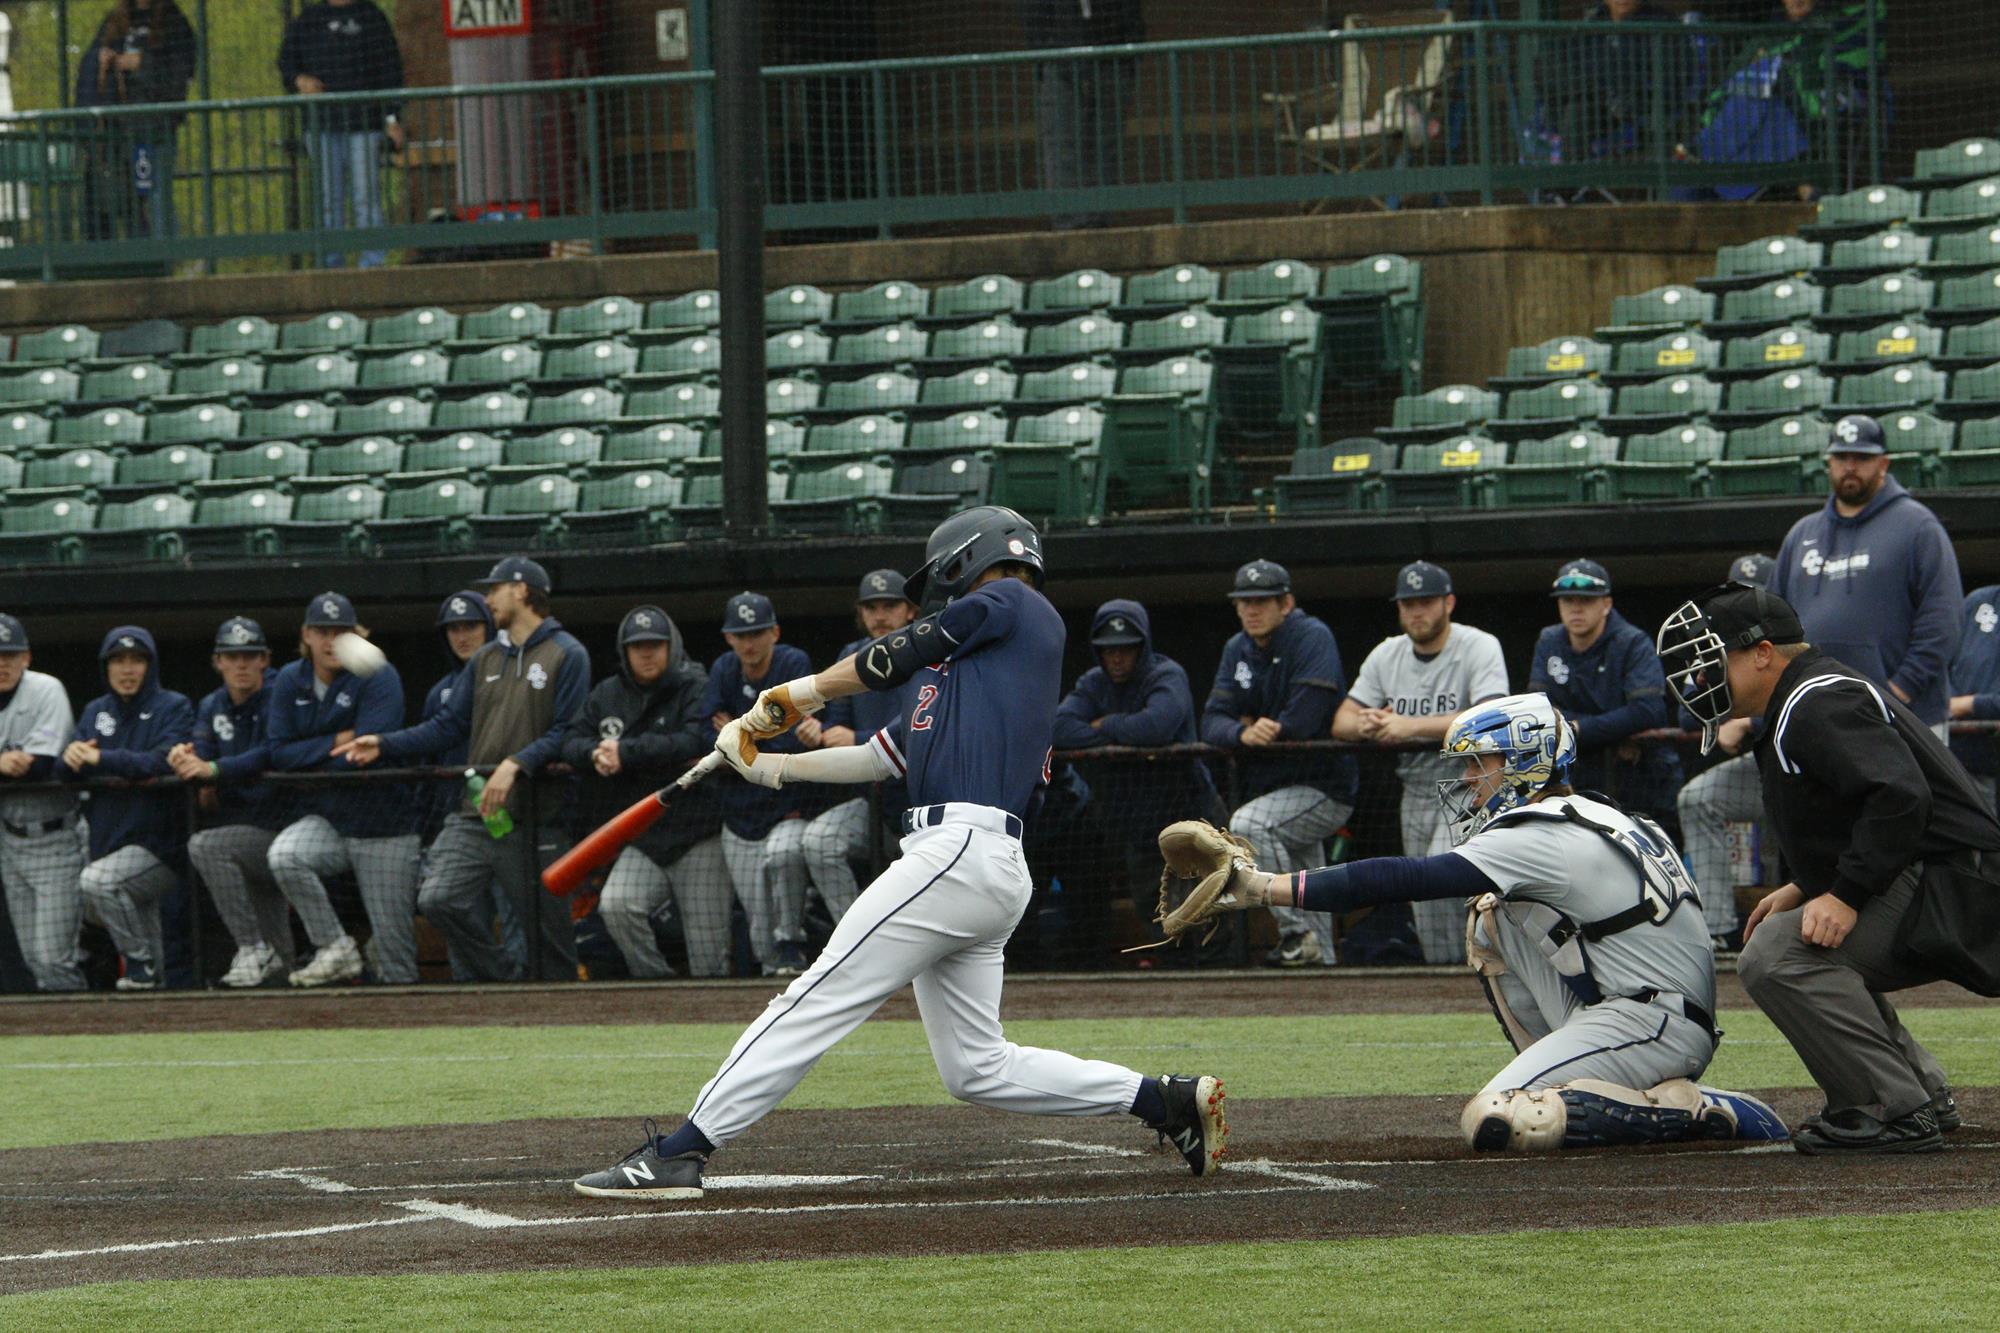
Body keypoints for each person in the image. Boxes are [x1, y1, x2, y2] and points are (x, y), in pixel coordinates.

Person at [573, 506, 1225, 1201]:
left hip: (961, 848)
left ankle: (681, 1150)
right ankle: (1165, 1101)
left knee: (818, 993)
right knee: (975, 1067)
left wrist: (790, 696)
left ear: (964, 559)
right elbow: (879, 757)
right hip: (971, 864)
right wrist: (771, 764)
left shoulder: (1016, 601)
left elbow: (888, 655)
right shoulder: (960, 671)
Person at [1189, 692, 1784, 1151]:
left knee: (1498, 1117)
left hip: (1653, 1018)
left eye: (1483, 763)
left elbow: (1409, 878)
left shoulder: (1541, 832)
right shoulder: (1596, 812)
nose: (1471, 779)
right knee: (1490, 918)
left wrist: (1262, 887)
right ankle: (1573, 1071)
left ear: (1524, 762)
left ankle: (1696, 1108)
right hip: (1638, 1005)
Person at [1659, 581, 2000, 1153]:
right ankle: (1919, 1094)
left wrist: (1844, 893)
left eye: (1712, 662)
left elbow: (1900, 798)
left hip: (1958, 886)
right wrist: (1804, 885)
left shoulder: (1816, 699)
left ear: (1762, 652)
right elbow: (1867, 806)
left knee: (1778, 954)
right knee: (1792, 941)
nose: (1701, 680)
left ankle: (1891, 1107)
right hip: (1946, 876)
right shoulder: (1807, 693)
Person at [336, 557, 590, 983]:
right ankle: (502, 978)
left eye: (495, 589)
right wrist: (384, 743)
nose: (488, 598)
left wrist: (516, 763)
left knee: (547, 932)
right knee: (438, 898)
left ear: (522, 591)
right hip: (479, 812)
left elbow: (568, 731)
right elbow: (447, 725)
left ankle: (568, 1017)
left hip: (534, 816)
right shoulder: (486, 658)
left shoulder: (568, 652)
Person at [1336, 561, 1510, 965]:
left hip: (1469, 783)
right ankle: (1441, 983)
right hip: (1414, 789)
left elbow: (1489, 718)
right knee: (1422, 895)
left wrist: (1407, 726)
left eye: (1427, 601)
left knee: (1447, 877)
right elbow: (1341, 720)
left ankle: (1477, 975)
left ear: (1448, 602)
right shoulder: (1387, 653)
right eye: (1408, 603)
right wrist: (1369, 723)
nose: (1417, 611)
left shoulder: (1478, 645)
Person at [1201, 560, 1356, 967]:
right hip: (1274, 788)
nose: (1251, 610)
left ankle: (1293, 932)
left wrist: (1261, 724)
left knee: (1251, 824)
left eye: (1262, 601)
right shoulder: (1237, 648)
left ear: (1285, 603)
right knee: (1310, 879)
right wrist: (1241, 732)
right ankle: (1320, 958)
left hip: (1323, 786)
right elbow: (1211, 722)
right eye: (1244, 602)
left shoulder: (1310, 636)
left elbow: (1303, 720)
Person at [1771, 415, 1962, 741]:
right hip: (1818, 719)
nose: (1850, 466)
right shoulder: (1802, 534)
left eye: (1862, 457)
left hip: (1903, 719)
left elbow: (1943, 619)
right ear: (1828, 463)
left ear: (1883, 463)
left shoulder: (1917, 526)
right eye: (1841, 457)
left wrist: (1900, 689)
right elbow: (1775, 622)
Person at [561, 605, 727, 979]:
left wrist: (626, 752)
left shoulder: (695, 685)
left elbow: (693, 739)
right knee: (617, 905)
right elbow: (569, 741)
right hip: (645, 837)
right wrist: (593, 753)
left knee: (708, 957)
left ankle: (713, 1020)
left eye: (655, 644)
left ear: (672, 646)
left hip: (698, 834)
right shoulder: (608, 693)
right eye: (638, 646)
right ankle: (658, 988)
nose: (647, 653)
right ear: (625, 651)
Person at [264, 592, 420, 987]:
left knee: (396, 960)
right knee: (286, 854)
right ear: (307, 635)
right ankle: (335, 947)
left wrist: (314, 752)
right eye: (322, 631)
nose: (331, 639)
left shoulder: (378, 673)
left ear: (357, 635)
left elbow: (366, 751)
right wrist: (337, 738)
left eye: (342, 631)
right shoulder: (289, 678)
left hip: (385, 827)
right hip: (331, 819)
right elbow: (278, 753)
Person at [1059, 598, 1220, 956]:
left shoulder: (1165, 674)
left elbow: (1158, 725)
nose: (1116, 658)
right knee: (1159, 916)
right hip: (1140, 827)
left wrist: (1107, 724)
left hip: (1193, 816)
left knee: (1213, 909)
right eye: (1108, 650)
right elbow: (1060, 728)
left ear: (1141, 646)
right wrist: (1124, 732)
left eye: (1125, 649)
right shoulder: (1093, 683)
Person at [769, 571, 920, 933]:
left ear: (910, 611)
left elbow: (925, 729)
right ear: (860, 613)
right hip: (871, 802)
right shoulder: (852, 656)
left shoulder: (923, 654)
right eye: (872, 607)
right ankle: (856, 937)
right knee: (818, 840)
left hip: (923, 802)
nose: (880, 615)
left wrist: (859, 737)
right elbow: (836, 725)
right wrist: (816, 732)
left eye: (890, 606)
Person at [698, 592, 822, 977]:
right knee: (758, 927)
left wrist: (740, 733)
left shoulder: (792, 661)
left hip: (786, 801)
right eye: (740, 634)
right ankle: (770, 985)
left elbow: (795, 737)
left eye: (756, 633)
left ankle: (796, 943)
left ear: (774, 632)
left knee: (785, 856)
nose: (748, 643)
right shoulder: (723, 668)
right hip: (740, 812)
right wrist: (757, 736)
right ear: (728, 637)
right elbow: (709, 737)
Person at [63, 625, 193, 991]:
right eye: (118, 660)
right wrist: (70, 759)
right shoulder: (96, 711)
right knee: (157, 972)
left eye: (137, 660)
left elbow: (160, 761)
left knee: (96, 881)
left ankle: (137, 961)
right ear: (107, 667)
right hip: (111, 844)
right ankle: (153, 999)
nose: (127, 668)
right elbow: (69, 769)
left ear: (150, 666)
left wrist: (100, 757)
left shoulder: (173, 706)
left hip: (159, 848)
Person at [169, 617, 296, 988]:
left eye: (250, 655)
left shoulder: (279, 694)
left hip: (281, 829)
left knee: (205, 846)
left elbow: (271, 753)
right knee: (281, 965)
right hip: (241, 834)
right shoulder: (212, 704)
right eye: (232, 655)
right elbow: (202, 754)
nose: (241, 664)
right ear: (217, 661)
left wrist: (215, 770)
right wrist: (185, 759)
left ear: (265, 659)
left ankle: (250, 946)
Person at [412, 590, 522, 980]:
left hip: (509, 820)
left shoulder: (512, 676)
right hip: (459, 820)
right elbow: (432, 757)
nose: (462, 636)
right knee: (455, 917)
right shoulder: (440, 692)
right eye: (453, 629)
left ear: (489, 626)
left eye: (470, 626)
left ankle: (519, 991)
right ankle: (485, 992)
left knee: (517, 927)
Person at [1676, 553, 1782, 953]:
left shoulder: (1790, 635)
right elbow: (1686, 715)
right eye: (1738, 591)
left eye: (1755, 593)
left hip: (1807, 764)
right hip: (1760, 768)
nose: (1746, 601)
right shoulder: (1711, 640)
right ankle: (1717, 929)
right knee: (1697, 798)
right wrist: (1724, 719)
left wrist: (1751, 724)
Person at [1526, 559, 1682, 830]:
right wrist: (1610, 728)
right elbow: (1539, 710)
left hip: (1641, 779)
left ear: (1606, 605)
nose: (1576, 608)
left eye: (1586, 601)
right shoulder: (1549, 640)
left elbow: (1648, 710)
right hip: (1577, 777)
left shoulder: (1632, 641)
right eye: (1567, 600)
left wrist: (1576, 728)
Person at [277, 0, 406, 269]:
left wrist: (392, 118)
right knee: (328, 198)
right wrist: (299, 80)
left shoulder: (370, 16)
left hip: (364, 125)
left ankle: (371, 263)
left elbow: (390, 70)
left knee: (365, 196)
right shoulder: (309, 18)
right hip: (321, 126)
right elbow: (286, 61)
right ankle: (330, 262)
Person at [0, 614, 85, 992]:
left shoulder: (46, 689)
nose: (2, 663)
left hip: (55, 837)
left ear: (27, 657)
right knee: (35, 960)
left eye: (10, 654)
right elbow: (15, 768)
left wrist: (15, 766)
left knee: (53, 958)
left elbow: (42, 766)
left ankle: (88, 1028)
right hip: (10, 841)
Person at [74, 0, 196, 241]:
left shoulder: (174, 22)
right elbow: (88, 73)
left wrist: (142, 63)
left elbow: (179, 77)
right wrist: (103, 61)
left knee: (154, 195)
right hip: (119, 134)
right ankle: (134, 265)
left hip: (154, 131)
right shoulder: (114, 22)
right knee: (126, 201)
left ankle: (163, 260)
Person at [1018, 0, 1143, 229]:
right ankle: (1070, 224)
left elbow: (1130, 12)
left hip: (1111, 58)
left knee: (1106, 148)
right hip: (1061, 62)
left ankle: (1099, 221)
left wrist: (1129, 56)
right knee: (1062, 145)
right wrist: (1046, 57)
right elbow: (1034, 15)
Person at [1948, 583, 2000, 814]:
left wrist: (1969, 704)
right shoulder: (1981, 600)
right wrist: (1945, 703)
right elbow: (1939, 659)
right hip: (1958, 759)